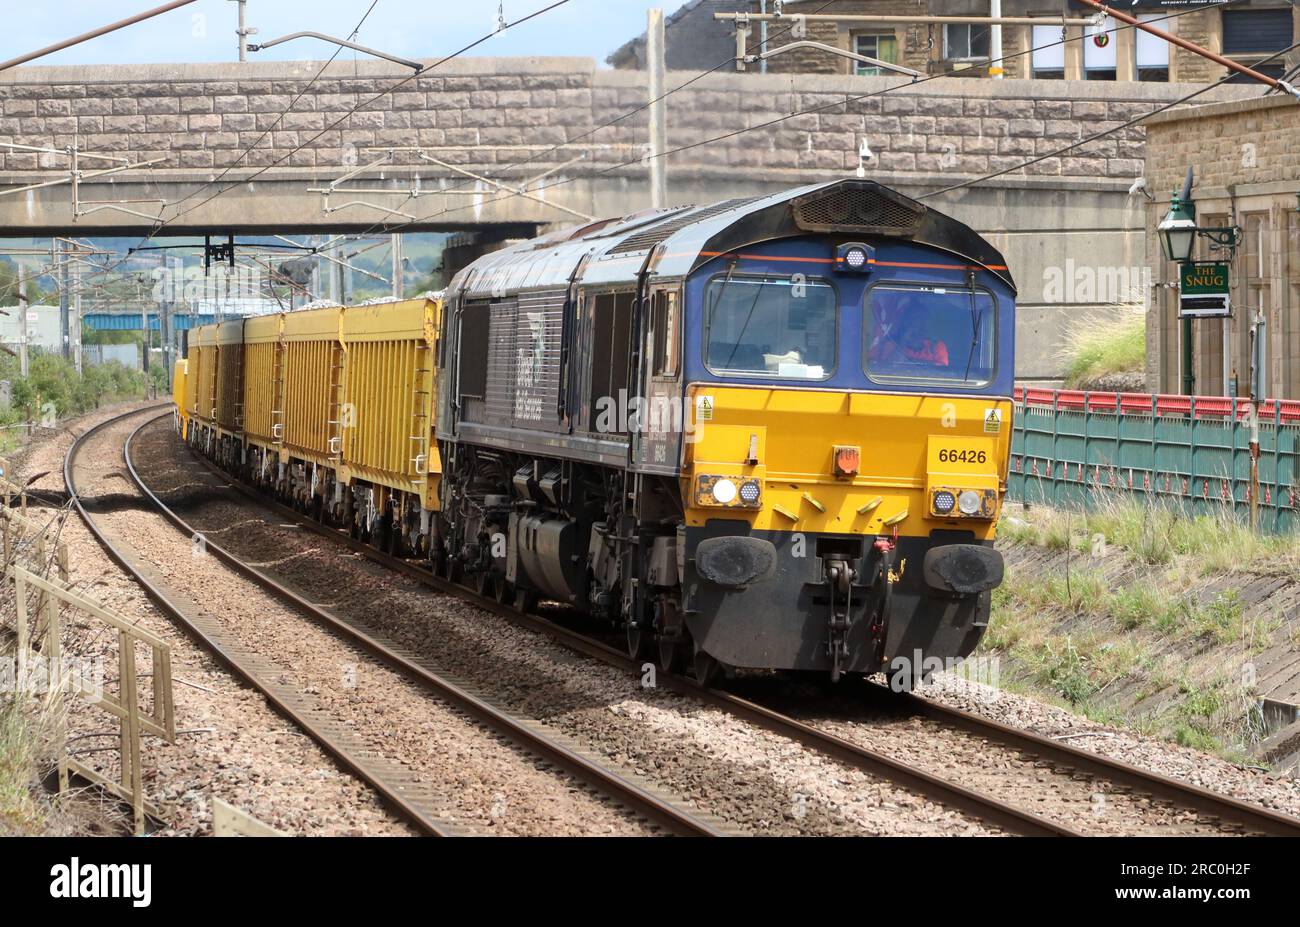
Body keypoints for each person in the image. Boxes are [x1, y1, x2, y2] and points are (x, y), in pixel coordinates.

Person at [870, 297, 949, 371]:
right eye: (914, 320)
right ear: (905, 323)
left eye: (923, 320)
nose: (919, 325)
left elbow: (940, 373)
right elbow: (890, 369)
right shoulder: (890, 344)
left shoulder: (936, 347)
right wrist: (903, 343)